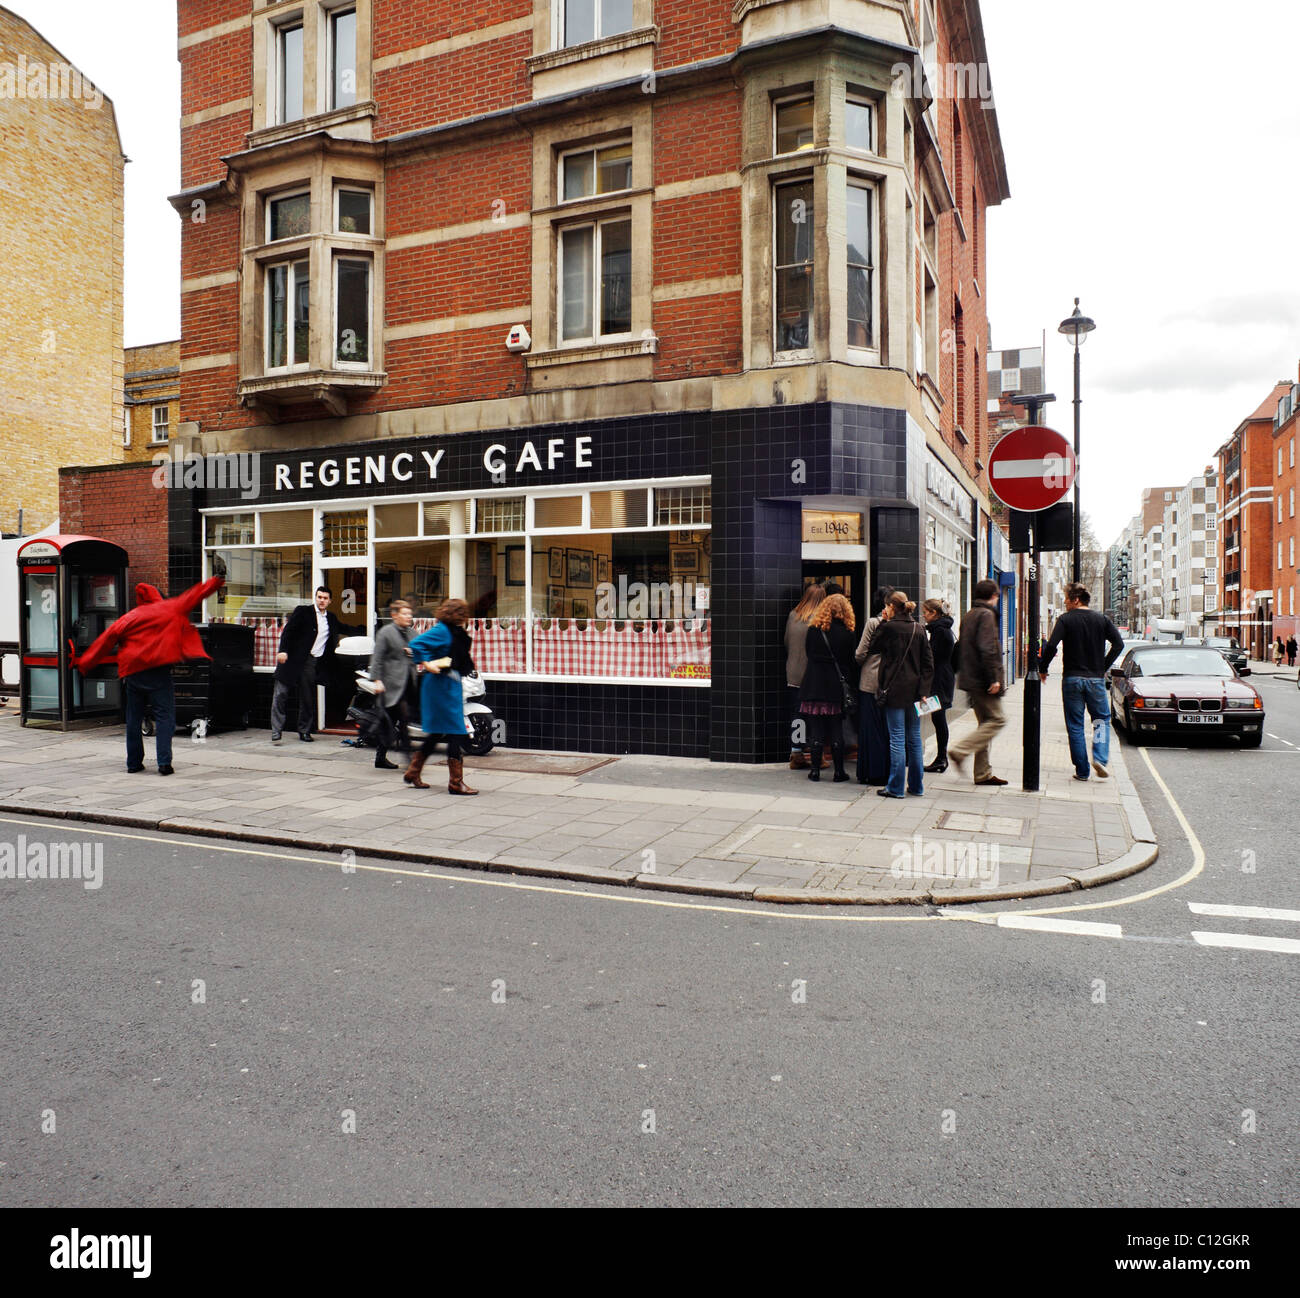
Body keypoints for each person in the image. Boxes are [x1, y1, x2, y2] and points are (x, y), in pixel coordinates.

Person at [77, 574, 225, 775]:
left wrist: (85, 662)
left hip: (133, 673)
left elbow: (106, 638)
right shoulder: (168, 608)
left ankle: (133, 763)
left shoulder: (129, 617)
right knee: (165, 718)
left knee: (133, 719)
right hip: (159, 671)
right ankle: (164, 763)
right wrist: (216, 581)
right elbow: (195, 595)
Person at [1039, 581, 1124, 781]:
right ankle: (1100, 759)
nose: (1066, 603)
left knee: (1075, 725)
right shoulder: (1102, 620)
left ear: (1076, 600)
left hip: (1072, 679)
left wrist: (1043, 668)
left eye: (1067, 599)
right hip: (1094, 679)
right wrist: (1103, 666)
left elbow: (1051, 646)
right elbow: (1118, 644)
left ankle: (1082, 771)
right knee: (1101, 720)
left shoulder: (1065, 620)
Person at [404, 598, 479, 795]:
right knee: (455, 730)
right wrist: (427, 663)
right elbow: (416, 643)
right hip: (440, 685)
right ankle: (455, 783)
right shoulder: (442, 630)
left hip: (448, 684)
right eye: (462, 613)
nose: (464, 617)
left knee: (437, 732)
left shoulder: (452, 631)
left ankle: (413, 771)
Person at [865, 592, 934, 798]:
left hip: (893, 690)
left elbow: (872, 648)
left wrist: (883, 622)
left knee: (896, 738)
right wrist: (924, 692)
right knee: (914, 739)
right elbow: (928, 664)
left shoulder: (888, 628)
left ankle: (895, 788)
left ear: (890, 607)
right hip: (915, 693)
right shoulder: (919, 629)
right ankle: (916, 786)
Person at [946, 578, 1007, 786]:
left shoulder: (970, 614)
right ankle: (960, 751)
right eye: (997, 595)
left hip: (971, 677)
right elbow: (987, 648)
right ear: (993, 596)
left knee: (985, 724)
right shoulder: (986, 615)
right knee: (998, 720)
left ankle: (983, 773)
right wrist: (994, 678)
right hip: (983, 680)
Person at [271, 586, 351, 743]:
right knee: (280, 695)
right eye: (319, 597)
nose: (322, 600)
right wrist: (283, 650)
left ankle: (304, 731)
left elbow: (344, 628)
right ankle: (276, 730)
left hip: (311, 661)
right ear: (315, 597)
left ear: (330, 601)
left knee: (307, 698)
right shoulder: (303, 611)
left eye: (325, 598)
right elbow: (288, 632)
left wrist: (368, 629)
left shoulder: (331, 618)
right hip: (291, 659)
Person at [797, 593, 858, 783]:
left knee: (816, 729)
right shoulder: (848, 632)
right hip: (835, 687)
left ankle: (815, 771)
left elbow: (808, 653)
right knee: (836, 729)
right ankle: (839, 772)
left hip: (814, 684)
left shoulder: (814, 629)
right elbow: (850, 660)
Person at [367, 599, 417, 771]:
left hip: (408, 684)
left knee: (390, 721)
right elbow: (377, 658)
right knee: (402, 719)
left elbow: (420, 651)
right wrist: (377, 680)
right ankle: (409, 758)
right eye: (404, 613)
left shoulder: (411, 633)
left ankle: (380, 758)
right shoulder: (386, 633)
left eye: (410, 614)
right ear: (394, 615)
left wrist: (414, 652)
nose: (408, 617)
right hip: (391, 685)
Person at [853, 586, 894, 785]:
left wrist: (863, 662)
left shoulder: (872, 623)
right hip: (891, 683)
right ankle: (887, 771)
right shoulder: (900, 624)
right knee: (888, 729)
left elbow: (860, 653)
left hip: (870, 682)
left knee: (870, 729)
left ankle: (871, 771)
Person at [784, 585, 825, 769]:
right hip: (814, 675)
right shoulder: (820, 619)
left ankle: (796, 753)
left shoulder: (793, 615)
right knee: (817, 715)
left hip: (793, 672)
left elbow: (786, 641)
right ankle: (819, 754)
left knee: (797, 714)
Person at [921, 597, 956, 773]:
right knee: (937, 718)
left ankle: (941, 758)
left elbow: (932, 658)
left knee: (938, 718)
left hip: (938, 680)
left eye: (926, 612)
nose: (924, 615)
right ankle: (941, 758)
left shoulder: (940, 631)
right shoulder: (941, 629)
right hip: (941, 678)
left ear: (934, 613)